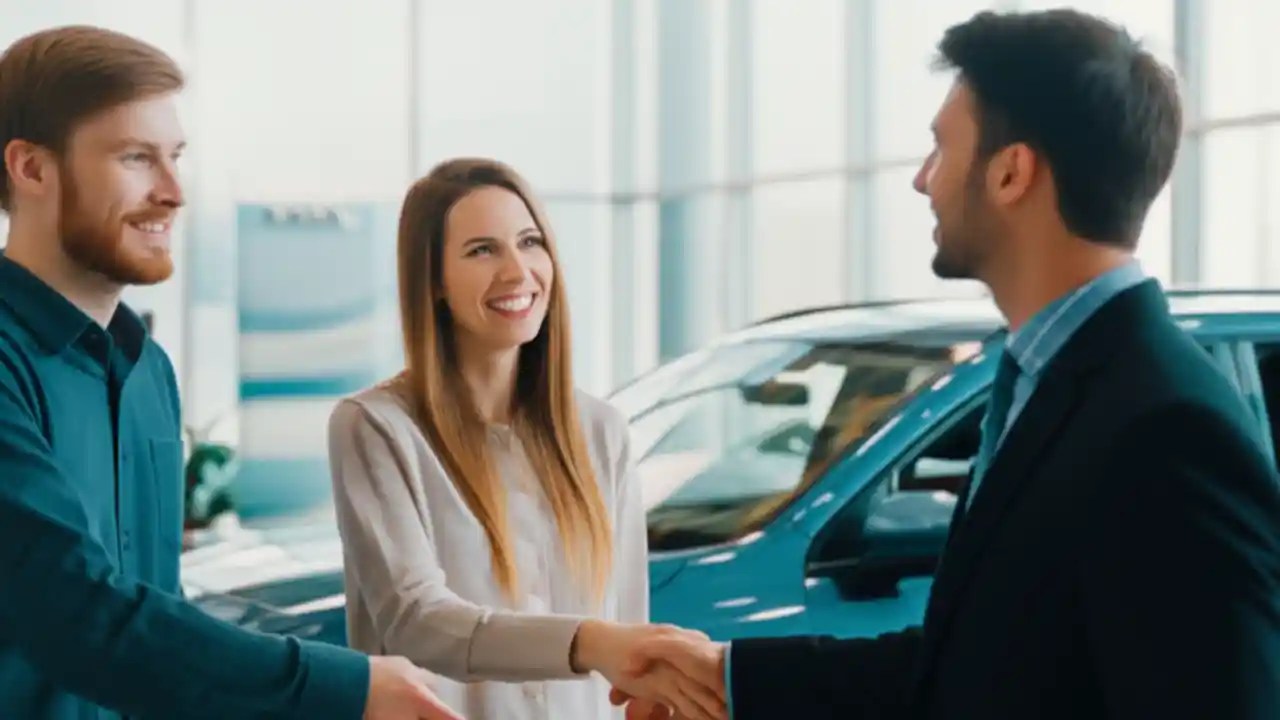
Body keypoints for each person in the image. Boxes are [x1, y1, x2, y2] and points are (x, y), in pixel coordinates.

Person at [614, 9, 1280, 720]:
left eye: (940, 148)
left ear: (1010, 172)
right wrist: (728, 677)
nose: (922, 180)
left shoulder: (1168, 428)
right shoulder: (1043, 380)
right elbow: (974, 666)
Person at [0, 25, 461, 720]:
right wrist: (344, 688)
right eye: (136, 158)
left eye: (176, 157)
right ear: (31, 169)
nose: (174, 191)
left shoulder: (148, 372)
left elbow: (157, 607)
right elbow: (77, 611)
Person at [326, 158, 725, 720]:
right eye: (482, 250)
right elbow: (414, 621)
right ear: (433, 280)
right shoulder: (375, 427)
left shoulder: (601, 431)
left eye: (530, 242)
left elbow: (628, 625)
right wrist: (591, 642)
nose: (518, 272)